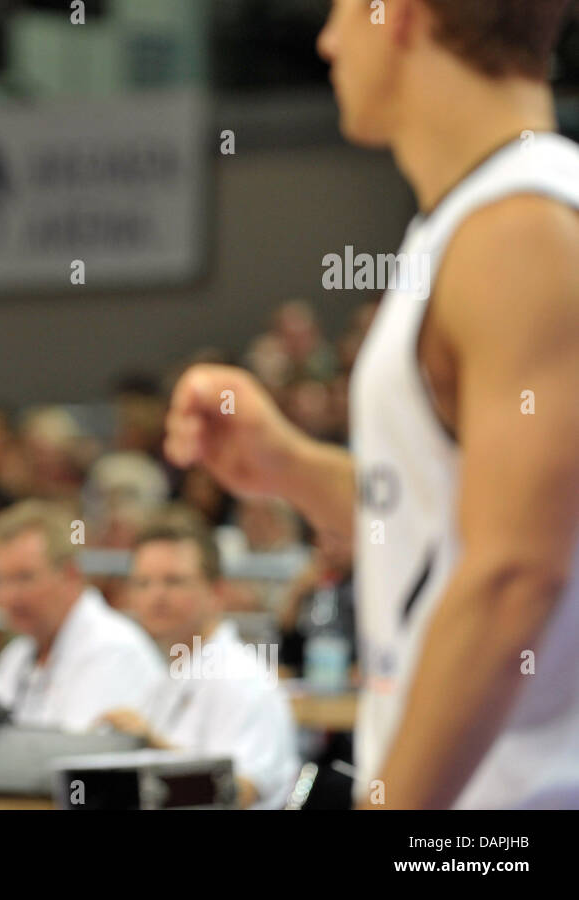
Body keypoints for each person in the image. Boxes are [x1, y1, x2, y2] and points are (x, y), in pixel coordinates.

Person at [165, 0, 579, 808]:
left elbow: (515, 575)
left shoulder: (520, 228)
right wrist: (285, 462)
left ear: (400, 15)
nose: (325, 40)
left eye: (341, 11)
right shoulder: (473, 221)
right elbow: (447, 530)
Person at [103, 509, 299, 809]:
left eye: (173, 581)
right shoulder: (171, 672)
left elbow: (239, 792)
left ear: (216, 591)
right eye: (143, 583)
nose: (156, 596)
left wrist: (152, 744)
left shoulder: (242, 679)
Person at [0, 500, 165, 733]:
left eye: (24, 578)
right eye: (0, 580)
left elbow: (76, 759)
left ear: (70, 574)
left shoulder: (112, 649)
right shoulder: (16, 657)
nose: (10, 597)